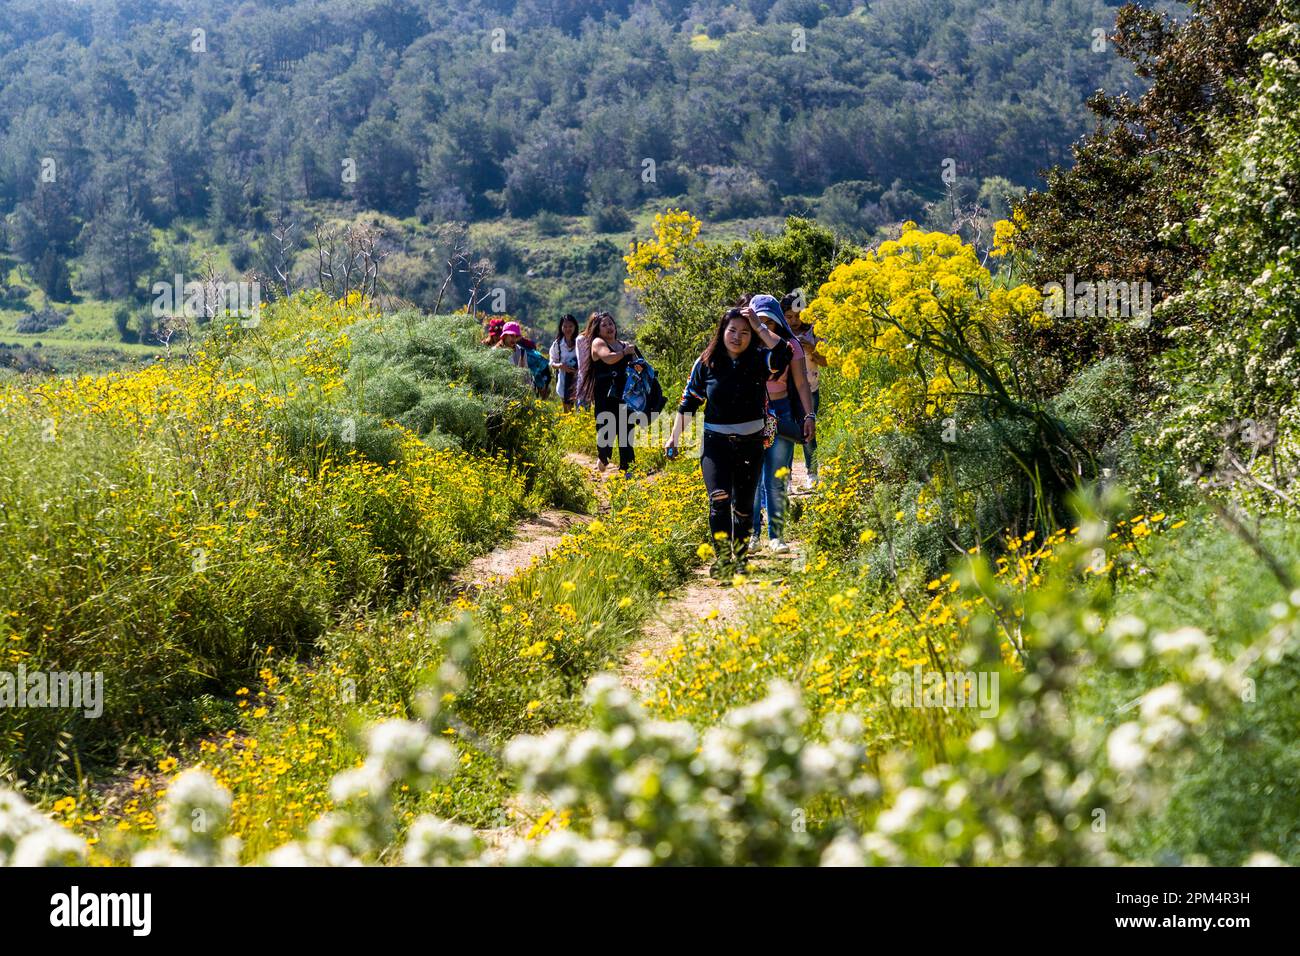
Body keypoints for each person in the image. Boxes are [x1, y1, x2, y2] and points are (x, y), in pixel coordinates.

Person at [666, 305, 792, 578]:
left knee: (744, 507)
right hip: (716, 444)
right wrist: (673, 438)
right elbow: (689, 402)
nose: (737, 336)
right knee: (719, 499)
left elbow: (785, 353)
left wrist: (759, 326)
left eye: (744, 332)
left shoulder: (760, 359)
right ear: (722, 331)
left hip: (751, 443)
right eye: (732, 330)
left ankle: (741, 557)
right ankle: (723, 560)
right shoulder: (706, 362)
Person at [747, 294, 815, 554]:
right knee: (750, 477)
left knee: (776, 476)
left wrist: (809, 416)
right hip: (750, 414)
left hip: (780, 412)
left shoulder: (791, 346)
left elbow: (800, 384)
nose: (761, 324)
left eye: (767, 320)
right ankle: (752, 533)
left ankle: (776, 536)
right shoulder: (744, 344)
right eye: (757, 319)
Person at [583, 311, 636, 473]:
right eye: (604, 325)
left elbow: (638, 367)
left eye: (611, 323)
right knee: (606, 433)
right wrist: (624, 353)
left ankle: (628, 470)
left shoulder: (624, 345)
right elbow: (609, 358)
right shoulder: (598, 342)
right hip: (605, 397)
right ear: (598, 330)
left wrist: (634, 358)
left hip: (625, 396)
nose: (609, 327)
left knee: (626, 431)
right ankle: (603, 458)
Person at [783, 291, 826, 487]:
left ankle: (812, 473)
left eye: (798, 315)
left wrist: (811, 349)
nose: (794, 321)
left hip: (810, 390)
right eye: (789, 317)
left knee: (809, 432)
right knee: (787, 435)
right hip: (786, 392)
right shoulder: (779, 334)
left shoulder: (814, 332)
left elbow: (826, 361)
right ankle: (787, 477)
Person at [550, 313, 580, 412]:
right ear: (561, 328)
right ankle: (568, 425)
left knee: (581, 407)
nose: (568, 329)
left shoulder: (580, 342)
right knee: (567, 409)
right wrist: (561, 366)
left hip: (579, 379)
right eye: (565, 326)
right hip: (564, 381)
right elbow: (552, 362)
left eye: (570, 326)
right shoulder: (557, 344)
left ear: (575, 326)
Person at [574, 313, 594, 411]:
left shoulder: (606, 339)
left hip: (602, 386)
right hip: (585, 384)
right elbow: (583, 367)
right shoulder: (581, 339)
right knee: (582, 416)